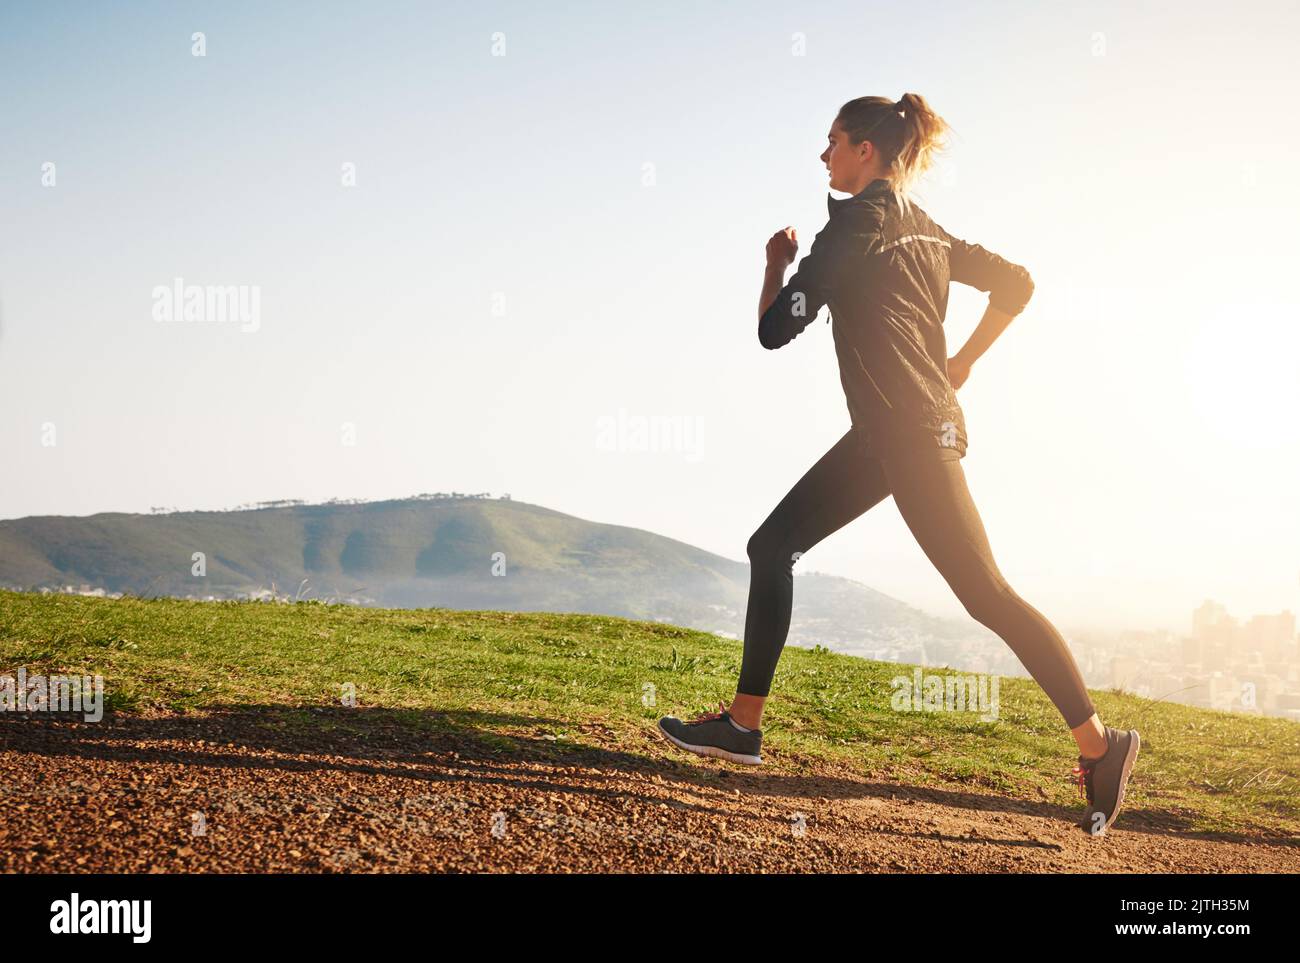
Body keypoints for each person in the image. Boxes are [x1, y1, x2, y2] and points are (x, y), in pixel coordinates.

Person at [658, 93, 1139, 835]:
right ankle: (743, 725)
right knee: (772, 545)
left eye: (832, 141)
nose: (823, 156)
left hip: (908, 436)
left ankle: (1102, 746)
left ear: (865, 150)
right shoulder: (925, 229)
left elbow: (774, 331)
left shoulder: (852, 228)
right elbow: (1017, 284)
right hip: (893, 435)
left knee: (986, 594)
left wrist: (776, 267)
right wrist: (962, 363)